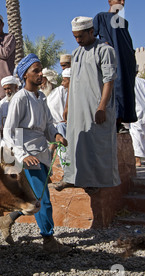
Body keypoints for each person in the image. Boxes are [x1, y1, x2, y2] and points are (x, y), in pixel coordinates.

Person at [0, 54, 71, 254]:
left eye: (41, 70)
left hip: (42, 153)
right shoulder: (19, 98)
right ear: (25, 75)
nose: (40, 74)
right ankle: (48, 239)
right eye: (35, 71)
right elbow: (9, 132)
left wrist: (56, 135)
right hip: (27, 155)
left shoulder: (42, 97)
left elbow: (47, 125)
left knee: (36, 195)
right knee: (42, 198)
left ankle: (7, 220)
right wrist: (23, 154)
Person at [55, 16, 119, 193]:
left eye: (81, 36)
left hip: (95, 107)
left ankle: (96, 181)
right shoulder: (76, 53)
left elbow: (109, 81)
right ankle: (72, 178)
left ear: (91, 31)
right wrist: (67, 106)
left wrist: (102, 107)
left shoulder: (105, 51)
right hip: (77, 108)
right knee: (77, 142)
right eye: (75, 36)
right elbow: (73, 83)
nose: (77, 40)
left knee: (96, 145)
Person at [93, 0, 137, 132]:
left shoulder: (124, 22)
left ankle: (120, 122)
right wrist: (103, 45)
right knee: (113, 88)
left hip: (125, 62)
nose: (122, 2)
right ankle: (113, 121)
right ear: (110, 1)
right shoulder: (101, 17)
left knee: (124, 90)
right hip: (111, 60)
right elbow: (92, 37)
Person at [130, 67, 145, 167]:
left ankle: (137, 160)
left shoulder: (129, 81)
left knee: (136, 134)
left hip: (136, 108)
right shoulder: (144, 81)